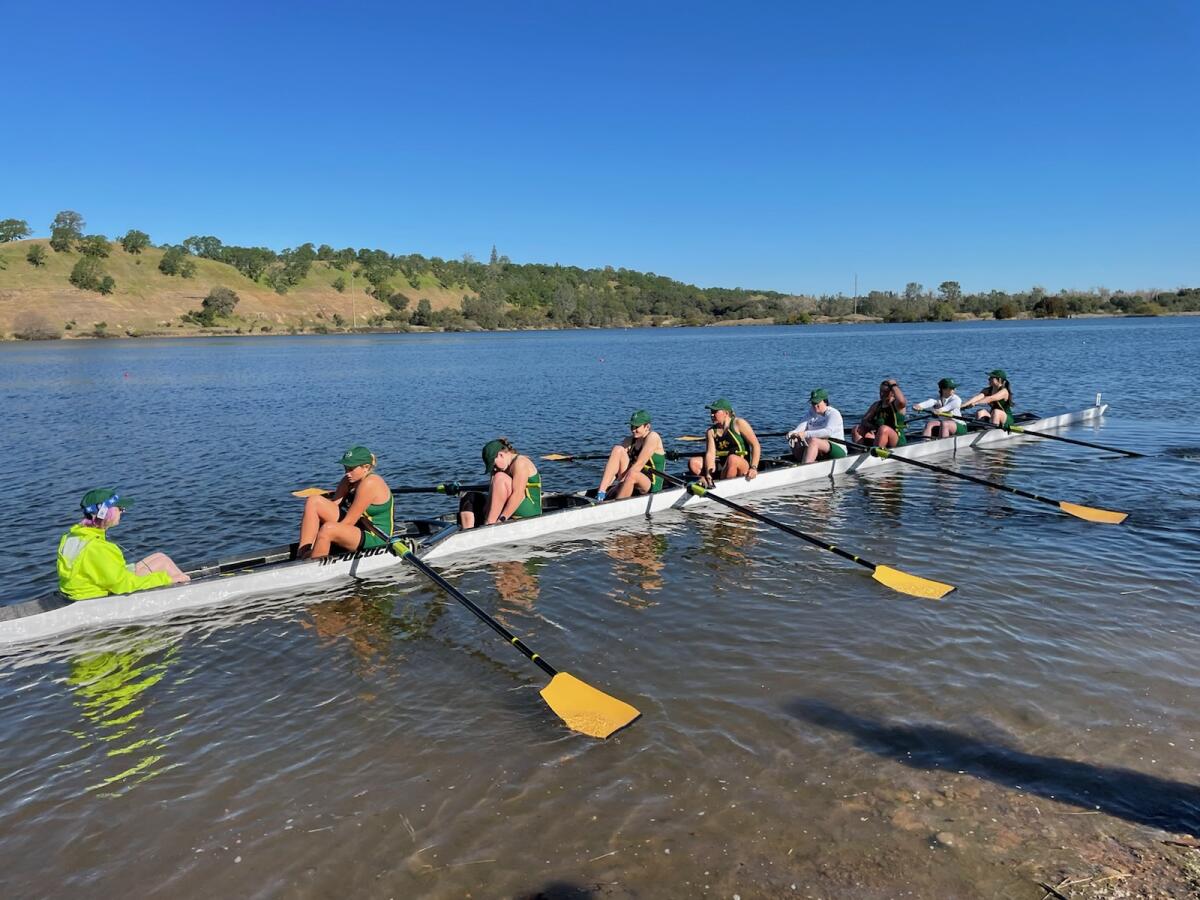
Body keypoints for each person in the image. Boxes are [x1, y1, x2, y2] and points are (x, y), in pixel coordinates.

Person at [57, 489, 190, 601]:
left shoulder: (71, 536)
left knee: (161, 558)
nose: (123, 511)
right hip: (92, 597)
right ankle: (186, 594)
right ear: (105, 513)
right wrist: (168, 579)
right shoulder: (99, 547)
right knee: (172, 574)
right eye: (120, 508)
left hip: (82, 588)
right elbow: (123, 585)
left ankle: (184, 586)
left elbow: (94, 569)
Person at [297, 445, 394, 558]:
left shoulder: (370, 483)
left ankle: (313, 561)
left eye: (351, 469)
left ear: (366, 467)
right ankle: (302, 553)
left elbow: (349, 522)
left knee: (328, 529)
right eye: (345, 468)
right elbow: (333, 506)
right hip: (359, 526)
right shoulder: (349, 480)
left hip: (375, 535)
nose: (347, 473)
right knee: (314, 501)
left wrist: (324, 533)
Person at [459, 438, 542, 529]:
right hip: (510, 505)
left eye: (494, 465)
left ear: (501, 455)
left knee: (500, 478)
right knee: (469, 496)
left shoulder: (520, 463)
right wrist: (486, 511)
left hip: (530, 510)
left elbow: (518, 495)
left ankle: (490, 524)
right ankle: (468, 531)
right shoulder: (500, 467)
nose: (494, 468)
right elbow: (492, 493)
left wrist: (501, 519)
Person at [687, 398, 761, 487]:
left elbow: (755, 445)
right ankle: (708, 482)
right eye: (711, 412)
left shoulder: (738, 423)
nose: (712, 414)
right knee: (693, 462)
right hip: (724, 465)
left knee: (732, 459)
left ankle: (725, 486)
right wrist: (708, 473)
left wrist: (754, 467)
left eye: (715, 412)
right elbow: (710, 454)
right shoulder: (711, 432)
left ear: (726, 413)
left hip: (742, 465)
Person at [595, 410, 667, 501]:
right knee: (617, 449)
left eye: (636, 427)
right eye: (632, 426)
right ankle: (600, 493)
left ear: (647, 426)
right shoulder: (629, 440)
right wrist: (608, 486)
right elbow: (615, 466)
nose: (633, 430)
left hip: (651, 483)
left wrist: (620, 484)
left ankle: (617, 504)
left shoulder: (653, 437)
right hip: (630, 478)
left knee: (632, 474)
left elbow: (639, 464)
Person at [786, 388, 847, 463]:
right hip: (819, 449)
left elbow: (828, 432)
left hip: (837, 449)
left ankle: (806, 466)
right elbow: (801, 427)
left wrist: (805, 434)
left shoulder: (833, 413)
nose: (815, 405)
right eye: (813, 403)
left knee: (813, 441)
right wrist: (793, 433)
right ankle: (802, 463)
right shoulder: (811, 413)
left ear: (825, 402)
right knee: (794, 440)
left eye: (817, 402)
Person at [851, 378, 908, 448]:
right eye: (881, 391)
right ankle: (858, 450)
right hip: (880, 435)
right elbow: (864, 420)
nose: (882, 394)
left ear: (893, 393)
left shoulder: (897, 405)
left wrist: (893, 385)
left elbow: (902, 401)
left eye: (885, 392)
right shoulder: (877, 405)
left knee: (883, 429)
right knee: (857, 429)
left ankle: (876, 452)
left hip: (896, 439)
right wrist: (872, 428)